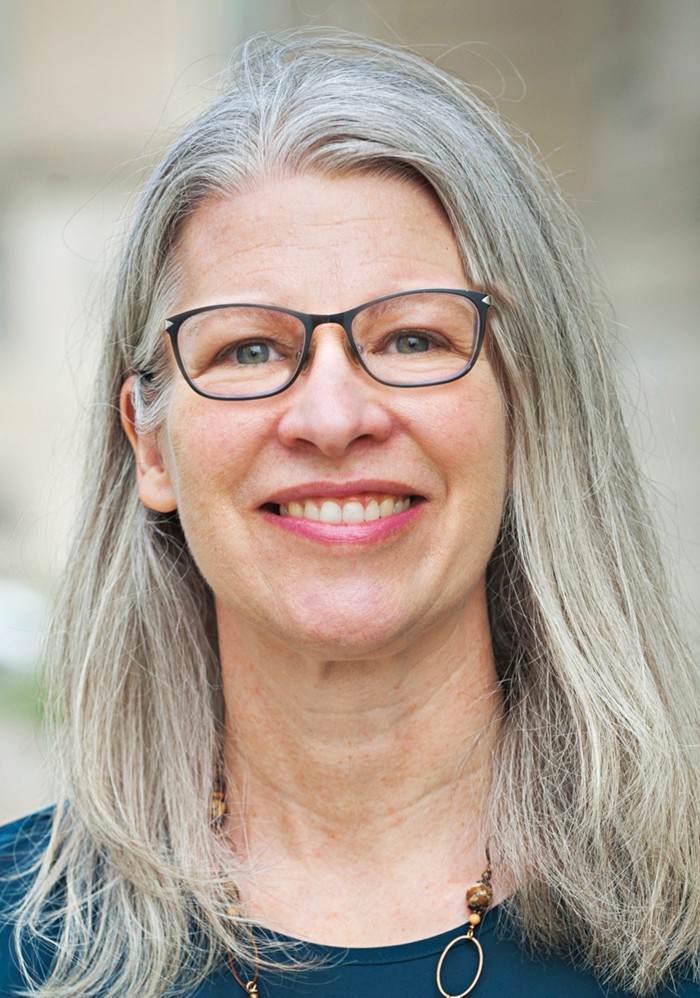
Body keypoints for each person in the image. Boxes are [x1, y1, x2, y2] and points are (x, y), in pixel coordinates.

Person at [1, 29, 698, 998]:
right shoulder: (19, 942)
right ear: (150, 444)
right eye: (247, 349)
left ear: (529, 413)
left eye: (412, 336)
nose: (332, 417)